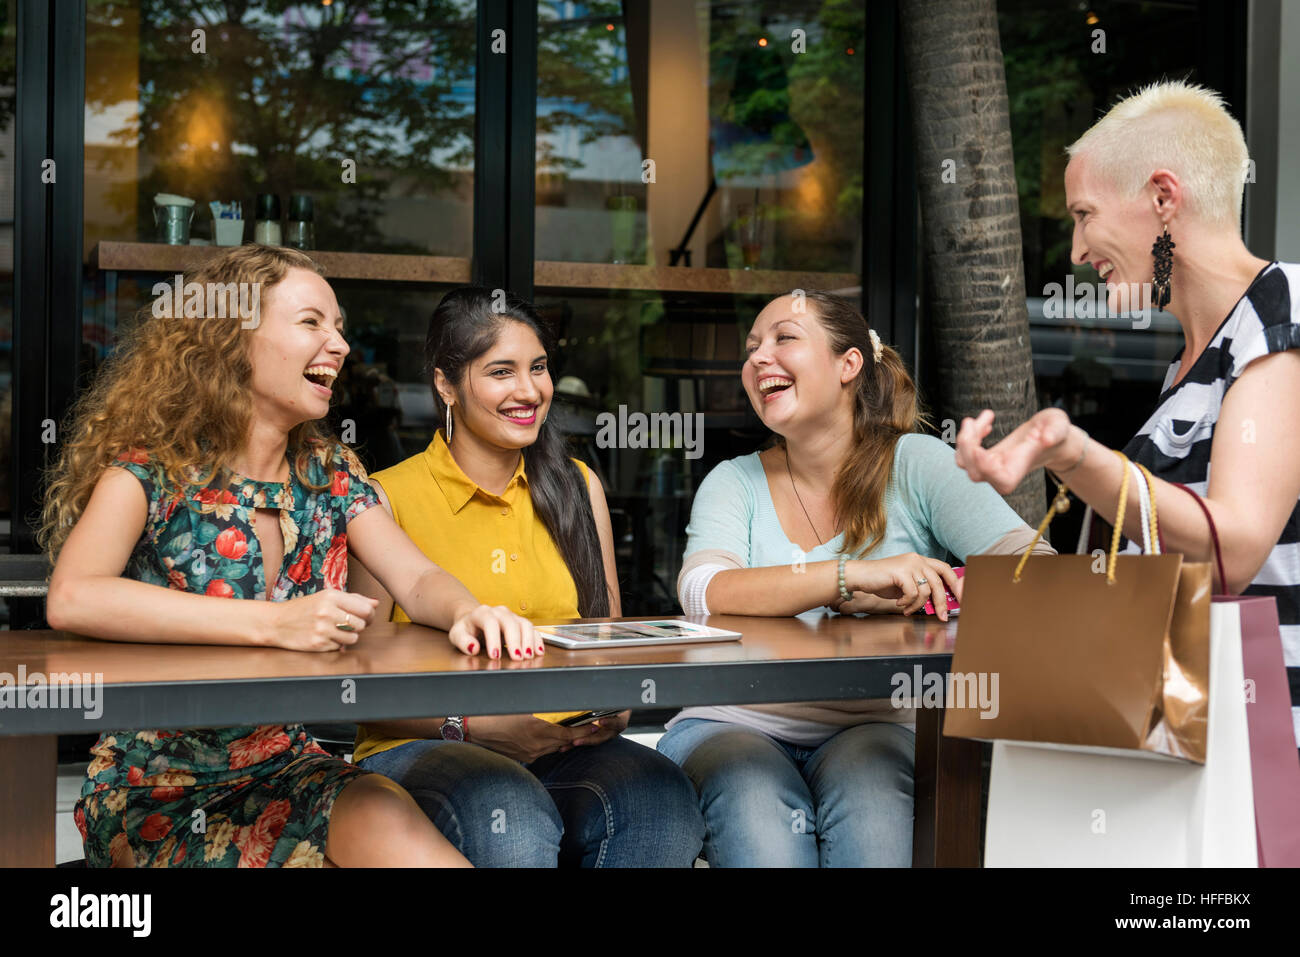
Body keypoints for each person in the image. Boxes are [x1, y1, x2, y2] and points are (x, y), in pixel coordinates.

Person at [42, 245, 534, 867]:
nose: (339, 345)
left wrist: (467, 610)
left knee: (389, 817)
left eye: (340, 328)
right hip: (156, 795)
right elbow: (74, 595)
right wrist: (280, 624)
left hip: (289, 768)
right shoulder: (151, 469)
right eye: (311, 323)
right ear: (231, 337)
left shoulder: (330, 473)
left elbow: (417, 578)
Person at [952, 80, 1300, 755]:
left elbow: (1231, 550)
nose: (1078, 251)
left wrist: (1074, 454)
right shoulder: (1193, 362)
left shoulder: (1280, 314)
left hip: (1262, 752)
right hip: (1199, 736)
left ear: (1164, 199)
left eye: (1084, 214)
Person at [657, 290, 1053, 867]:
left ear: (849, 365)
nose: (759, 358)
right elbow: (703, 594)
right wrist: (847, 577)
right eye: (752, 348)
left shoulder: (918, 463)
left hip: (876, 721)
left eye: (784, 338)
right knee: (760, 821)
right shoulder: (734, 480)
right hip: (729, 722)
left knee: (873, 818)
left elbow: (1037, 573)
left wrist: (932, 595)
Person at [347, 287, 705, 867]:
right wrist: (475, 727)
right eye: (501, 372)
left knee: (660, 801)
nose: (529, 391)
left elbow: (605, 641)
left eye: (538, 368)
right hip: (426, 743)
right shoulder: (384, 499)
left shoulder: (577, 485)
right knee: (508, 814)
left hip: (564, 742)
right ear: (446, 384)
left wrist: (614, 707)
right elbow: (358, 689)